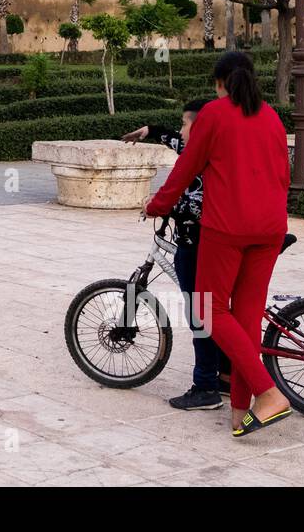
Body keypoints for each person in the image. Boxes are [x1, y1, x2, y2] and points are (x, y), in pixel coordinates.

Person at [145, 51, 293, 438]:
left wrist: (157, 204)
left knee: (209, 310)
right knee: (244, 323)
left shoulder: (213, 113)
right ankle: (240, 413)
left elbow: (186, 167)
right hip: (270, 229)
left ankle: (269, 393)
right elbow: (284, 173)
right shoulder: (272, 116)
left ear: (219, 82)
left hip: (229, 229)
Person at [123, 98, 231, 410]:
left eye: (185, 124)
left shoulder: (200, 158)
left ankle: (205, 385)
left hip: (197, 243)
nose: (181, 131)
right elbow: (174, 141)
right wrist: (150, 131)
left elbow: (194, 203)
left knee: (200, 313)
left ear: (200, 128)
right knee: (217, 309)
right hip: (221, 239)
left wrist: (157, 206)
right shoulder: (213, 149)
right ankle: (226, 376)